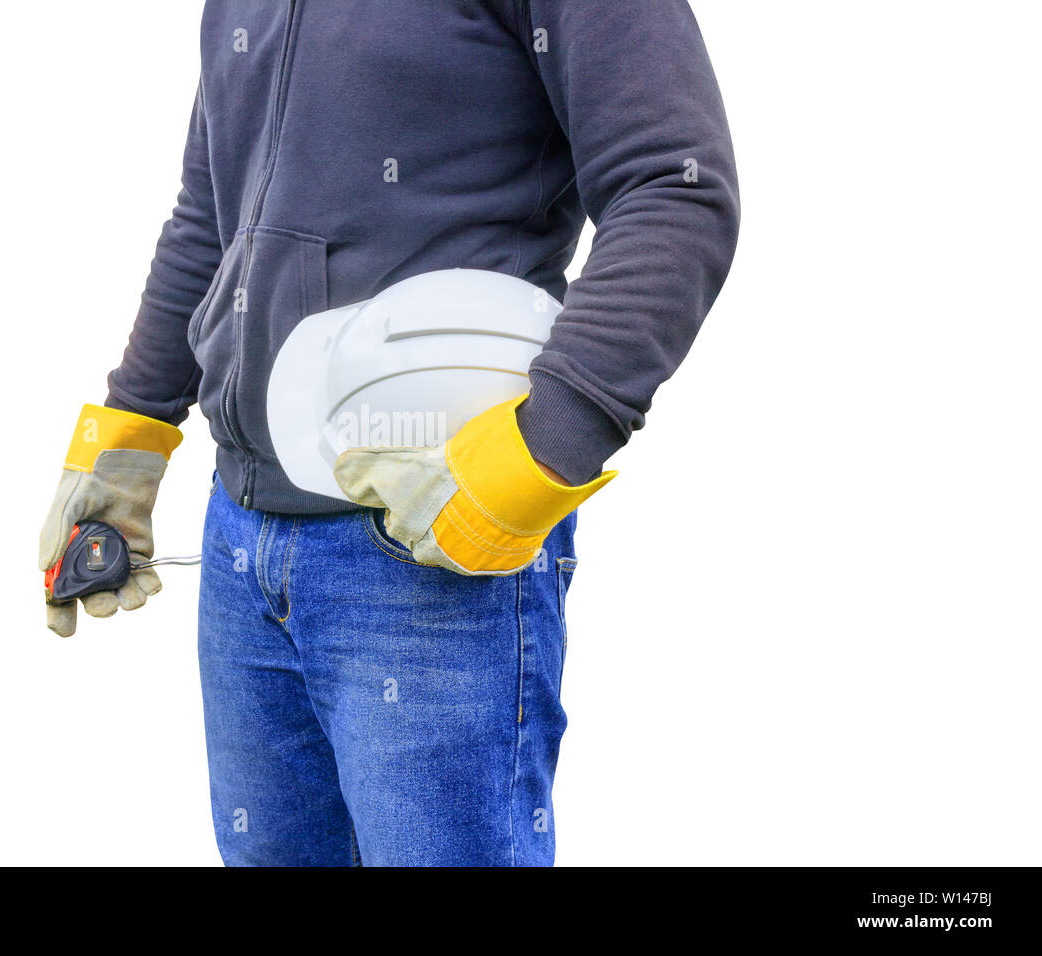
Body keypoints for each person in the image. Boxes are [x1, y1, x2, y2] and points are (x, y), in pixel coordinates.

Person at [39, 0, 739, 866]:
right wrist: (133, 432)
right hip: (240, 544)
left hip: (432, 553)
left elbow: (675, 186)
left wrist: (539, 453)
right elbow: (209, 215)